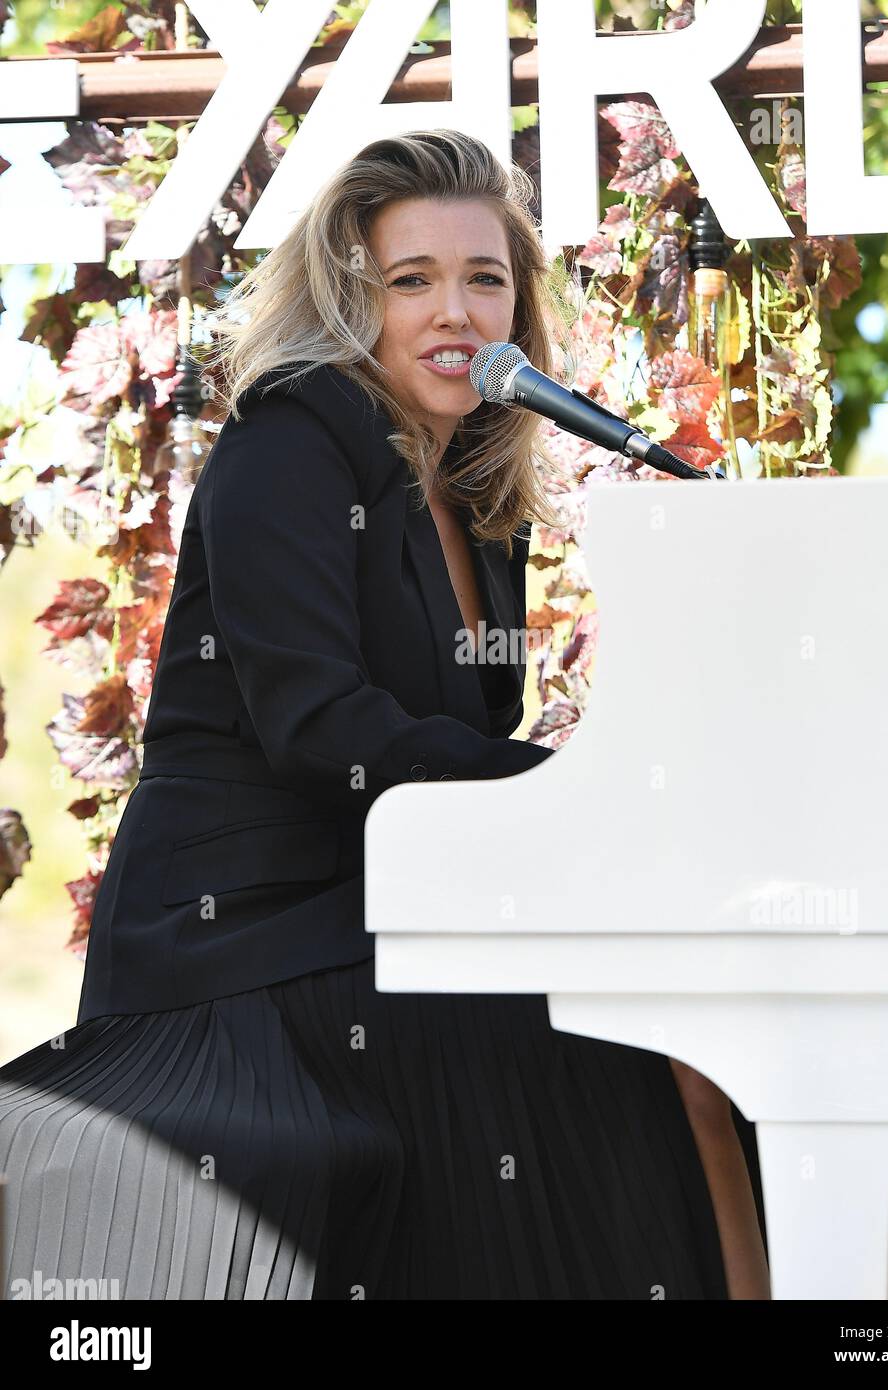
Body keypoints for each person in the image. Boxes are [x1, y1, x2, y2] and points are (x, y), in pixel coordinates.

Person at [0, 129, 769, 1300]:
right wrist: (572, 789)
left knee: (709, 1036)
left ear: (519, 307)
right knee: (656, 1050)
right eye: (410, 280)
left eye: (484, 279)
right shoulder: (292, 437)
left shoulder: (475, 492)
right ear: (349, 303)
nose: (453, 311)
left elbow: (455, 754)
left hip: (395, 916)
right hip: (245, 942)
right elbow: (322, 727)